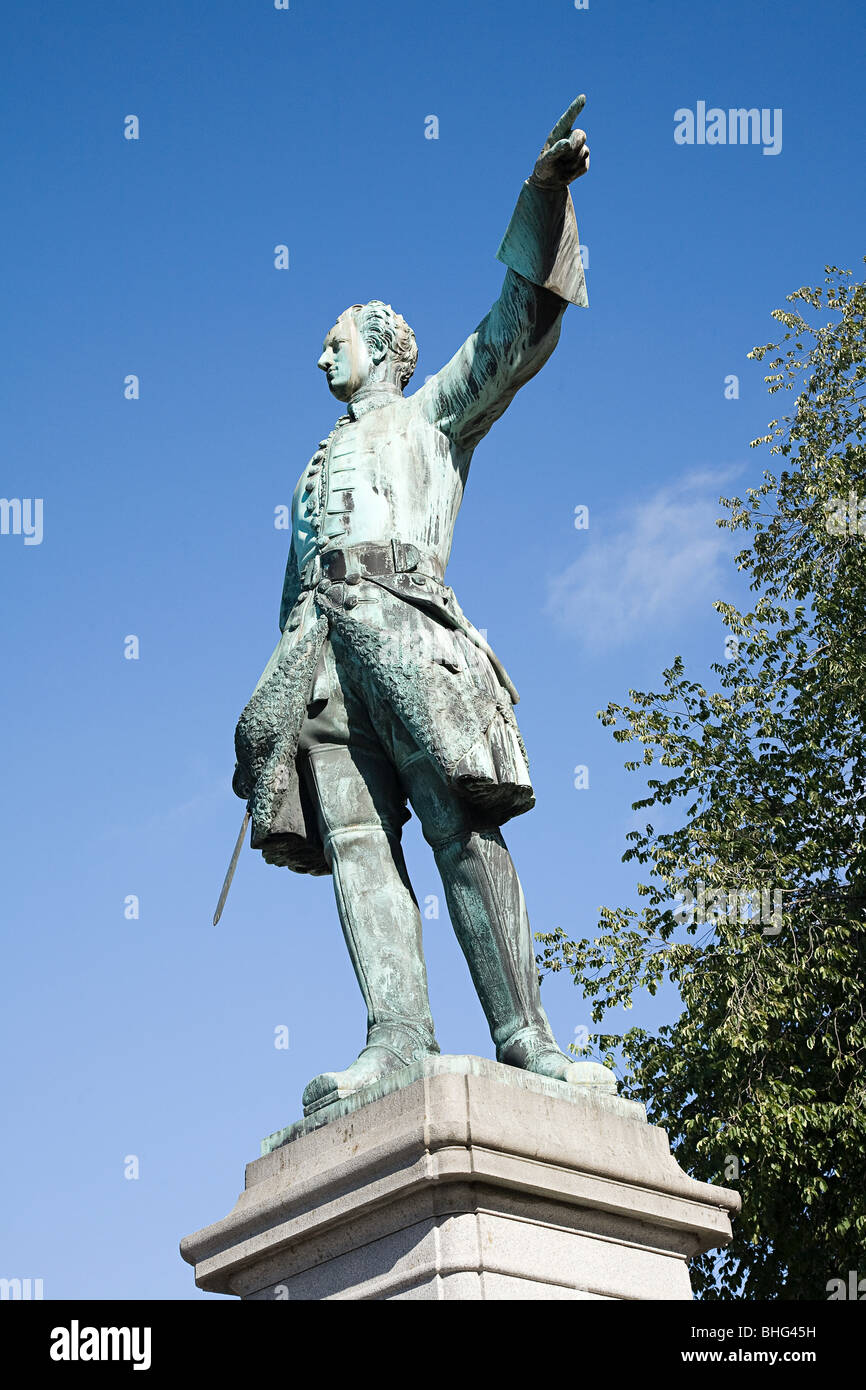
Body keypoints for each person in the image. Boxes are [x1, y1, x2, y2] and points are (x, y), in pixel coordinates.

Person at [232, 97, 617, 1115]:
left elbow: (515, 329)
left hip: (408, 631)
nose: (321, 358)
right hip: (322, 655)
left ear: (381, 349)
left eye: (335, 343)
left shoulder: (431, 414)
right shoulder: (310, 469)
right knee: (358, 839)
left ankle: (524, 1038)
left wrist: (542, 198)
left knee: (458, 824)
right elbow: (290, 593)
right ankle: (397, 1038)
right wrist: (277, 696)